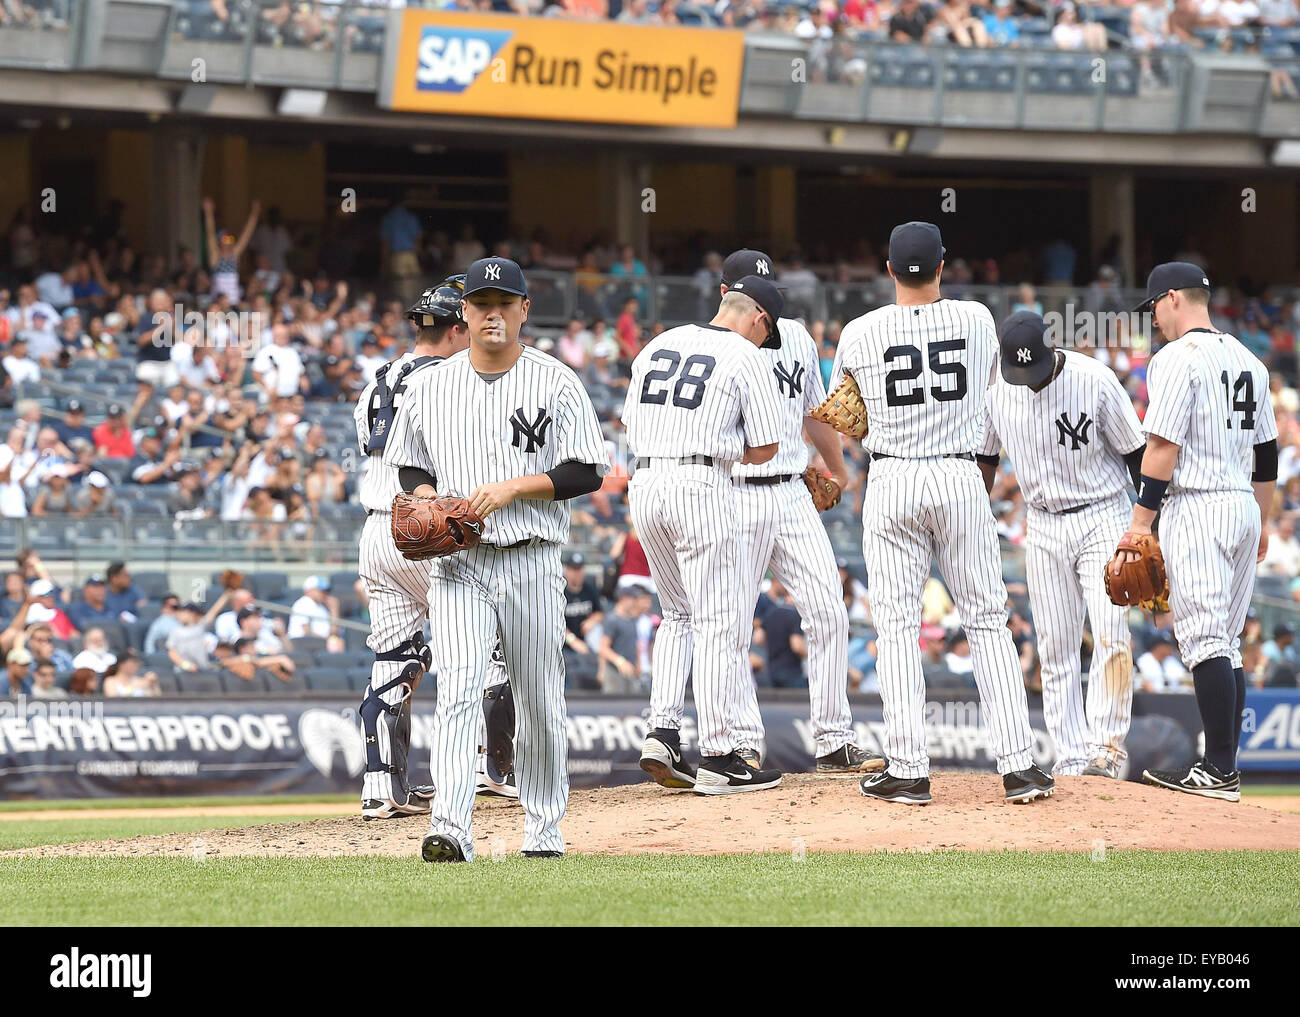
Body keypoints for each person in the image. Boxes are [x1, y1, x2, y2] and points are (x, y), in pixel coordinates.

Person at [384, 256, 607, 862]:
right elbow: (409, 462)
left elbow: (587, 470)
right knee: (457, 691)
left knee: (537, 696)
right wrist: (426, 497)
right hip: (460, 564)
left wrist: (513, 487)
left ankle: (543, 826)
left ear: (524, 311)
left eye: (504, 303)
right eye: (481, 304)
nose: (492, 314)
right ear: (464, 311)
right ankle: (451, 827)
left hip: (531, 558)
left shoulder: (556, 381)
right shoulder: (430, 384)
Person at [832, 222, 1053, 806]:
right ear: (941, 266)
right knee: (986, 621)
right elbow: (994, 402)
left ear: (887, 269)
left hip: (893, 474)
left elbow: (844, 417)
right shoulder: (978, 319)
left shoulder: (858, 331)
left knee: (897, 628)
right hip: (958, 475)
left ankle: (908, 769)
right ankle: (1020, 767)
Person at [1114, 263, 1278, 802]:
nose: (1154, 321)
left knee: (1206, 641)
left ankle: (1218, 771)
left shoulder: (1176, 359)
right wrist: (1262, 520)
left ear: (1171, 299)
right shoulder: (1250, 360)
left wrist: (1140, 522)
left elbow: (1162, 449)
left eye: (1154, 308)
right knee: (1226, 644)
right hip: (1240, 504)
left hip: (1198, 506)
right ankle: (1224, 767)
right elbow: (1266, 456)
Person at [623, 275, 786, 795]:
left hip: (646, 484)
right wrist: (719, 444)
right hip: (700, 484)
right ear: (758, 317)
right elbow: (765, 449)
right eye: (769, 330)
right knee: (716, 619)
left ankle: (663, 731)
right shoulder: (745, 356)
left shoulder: (658, 344)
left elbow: (631, 424)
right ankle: (720, 756)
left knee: (677, 614)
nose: (766, 339)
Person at [978, 311, 1146, 779]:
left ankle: (1106, 752)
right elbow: (985, 460)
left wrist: (1148, 525)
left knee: (1112, 633)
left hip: (1103, 515)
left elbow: (1136, 455)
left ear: (1051, 349)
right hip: (1044, 524)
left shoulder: (1095, 379)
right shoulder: (998, 389)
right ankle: (1072, 757)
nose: (1027, 381)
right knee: (1054, 647)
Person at [352, 276, 488, 820]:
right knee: (486, 644)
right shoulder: (456, 377)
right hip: (428, 525)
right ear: (458, 328)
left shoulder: (377, 380)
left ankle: (381, 787)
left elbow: (377, 448)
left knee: (392, 659)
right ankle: (486, 771)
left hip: (377, 528)